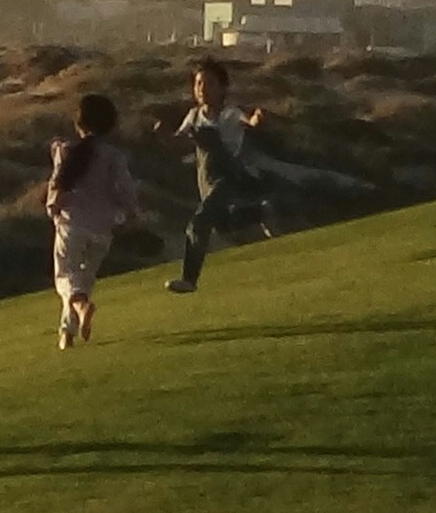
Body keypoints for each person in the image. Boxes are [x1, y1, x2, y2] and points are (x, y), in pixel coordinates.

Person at [154, 56, 271, 294]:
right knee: (223, 226)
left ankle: (188, 279)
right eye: (198, 84)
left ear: (222, 88)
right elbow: (180, 143)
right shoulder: (194, 116)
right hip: (204, 180)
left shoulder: (230, 114)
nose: (202, 89)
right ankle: (261, 212)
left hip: (226, 178)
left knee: (198, 224)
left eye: (208, 83)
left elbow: (249, 123)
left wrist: (257, 119)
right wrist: (163, 136)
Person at [46, 91, 133, 347]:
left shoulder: (67, 151)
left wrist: (53, 210)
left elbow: (56, 187)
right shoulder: (114, 156)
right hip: (103, 229)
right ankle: (67, 334)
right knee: (83, 279)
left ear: (78, 123)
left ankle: (82, 309)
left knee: (65, 278)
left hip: (72, 225)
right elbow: (126, 191)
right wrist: (129, 214)